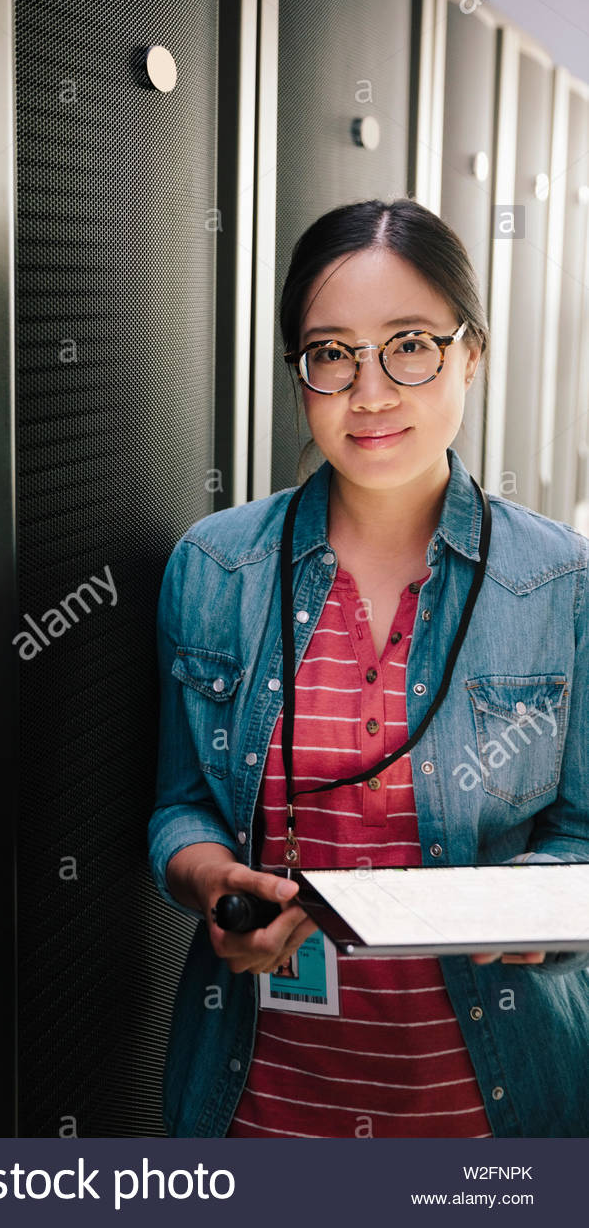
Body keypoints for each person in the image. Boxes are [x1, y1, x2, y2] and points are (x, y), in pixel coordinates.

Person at [147, 198, 589, 1138]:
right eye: (332, 353)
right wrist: (214, 881)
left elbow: (584, 833)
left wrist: (535, 910)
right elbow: (178, 805)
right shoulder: (214, 568)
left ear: (471, 352)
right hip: (260, 1105)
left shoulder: (561, 583)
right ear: (301, 376)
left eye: (411, 345)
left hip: (494, 1110)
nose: (371, 391)